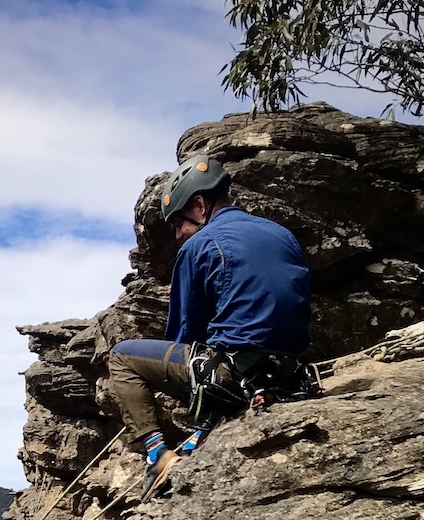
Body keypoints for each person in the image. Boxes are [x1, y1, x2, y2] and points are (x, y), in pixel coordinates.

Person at [108, 155, 312, 493]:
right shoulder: (283, 235)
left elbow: (184, 332)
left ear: (200, 205)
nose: (177, 235)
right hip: (289, 374)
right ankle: (207, 427)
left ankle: (157, 454)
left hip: (235, 375)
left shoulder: (200, 245)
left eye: (178, 224)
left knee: (121, 356)